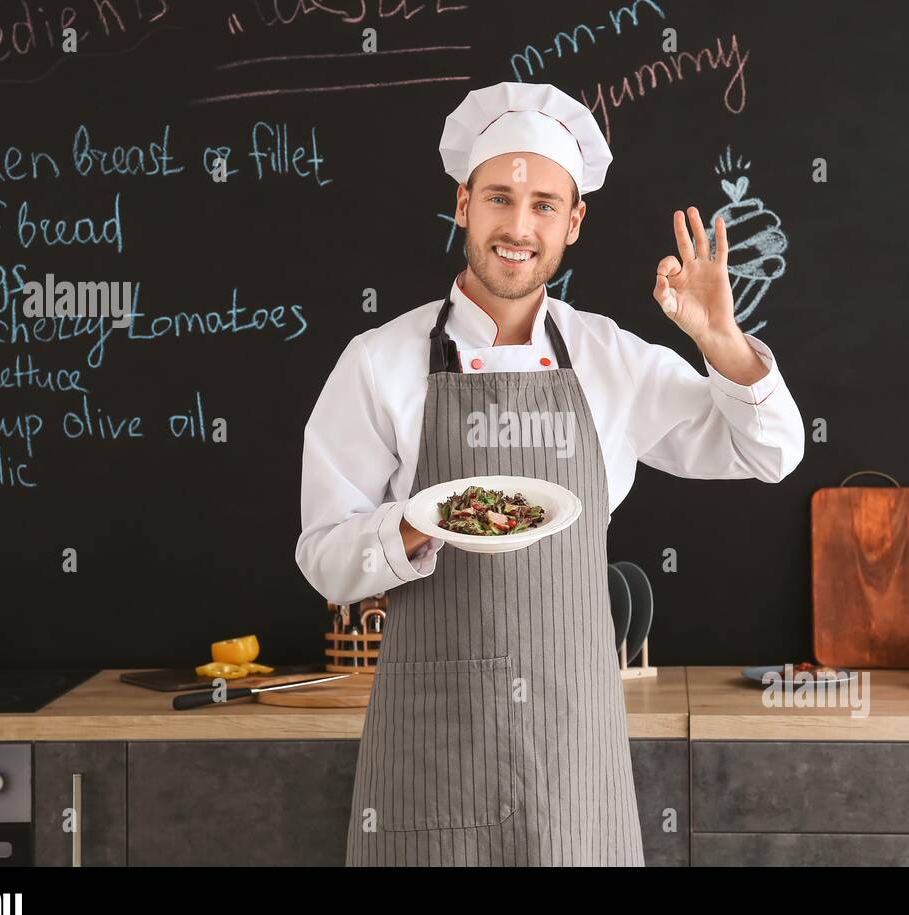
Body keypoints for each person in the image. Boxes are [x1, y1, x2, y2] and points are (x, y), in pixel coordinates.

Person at [295, 81, 805, 866]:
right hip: (432, 743)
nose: (518, 226)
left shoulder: (612, 360)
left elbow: (770, 452)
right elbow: (324, 555)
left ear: (574, 221)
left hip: (572, 742)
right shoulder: (378, 362)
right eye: (500, 197)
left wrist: (722, 340)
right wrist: (417, 521)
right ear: (463, 205)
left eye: (543, 204)